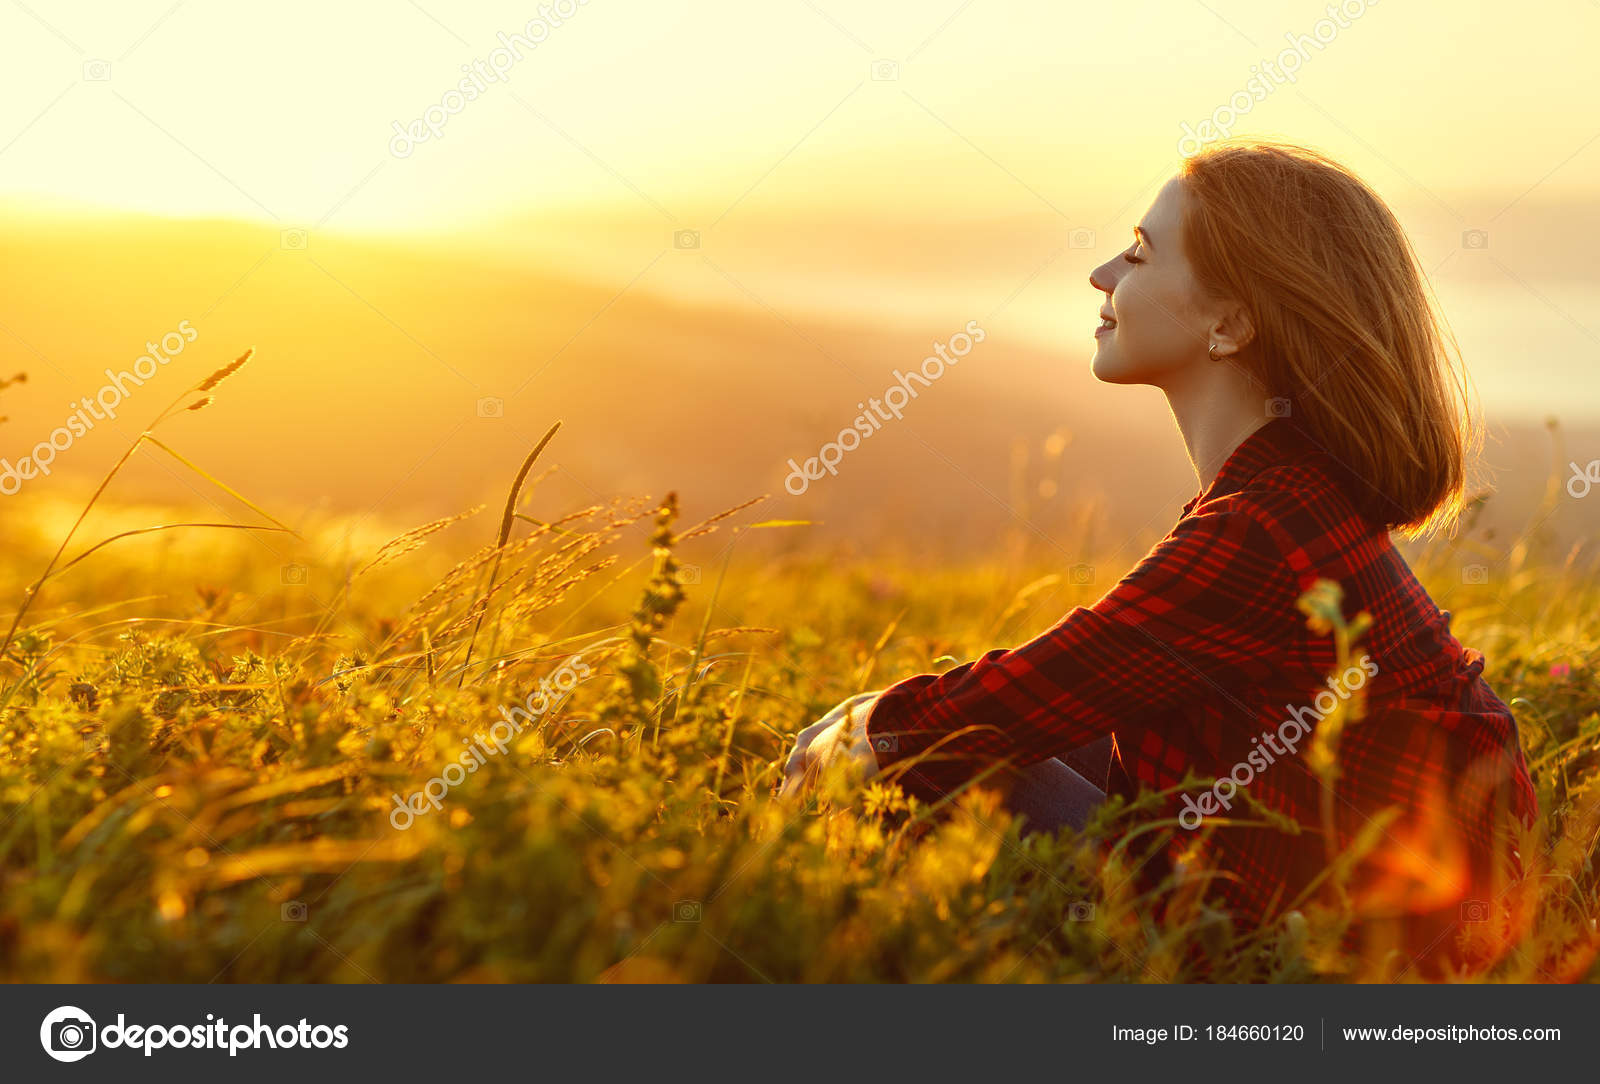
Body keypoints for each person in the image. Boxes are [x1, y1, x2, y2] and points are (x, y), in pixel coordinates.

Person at [781, 141, 1538, 947]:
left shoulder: (1260, 527)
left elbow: (996, 709)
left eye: (1140, 254)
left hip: (1328, 956)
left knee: (918, 751)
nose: (1103, 274)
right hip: (1379, 913)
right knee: (1005, 729)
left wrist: (858, 732)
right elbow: (1082, 684)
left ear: (1231, 323)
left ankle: (799, 944)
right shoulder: (1292, 491)